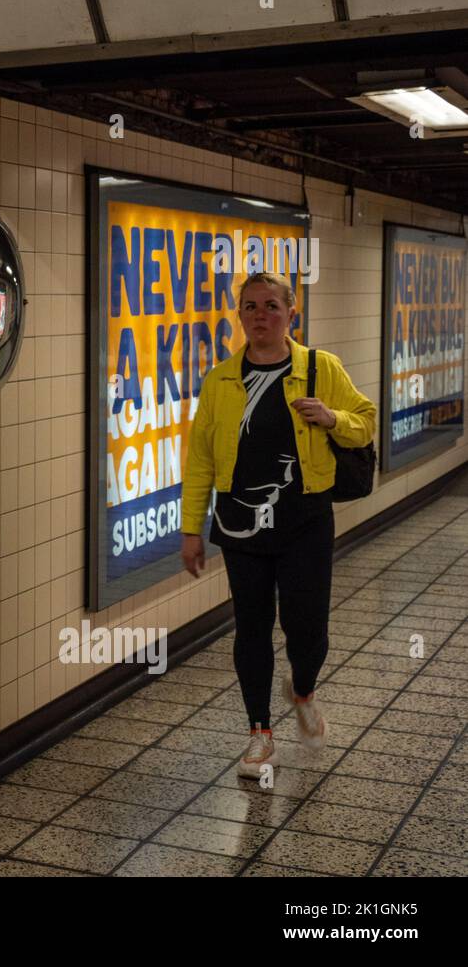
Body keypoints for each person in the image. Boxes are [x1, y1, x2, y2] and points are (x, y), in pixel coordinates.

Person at [179, 272, 376, 778]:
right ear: (238, 315)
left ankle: (303, 688)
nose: (259, 315)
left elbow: (366, 421)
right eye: (249, 307)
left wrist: (334, 419)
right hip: (240, 524)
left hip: (305, 519)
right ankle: (259, 733)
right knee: (251, 627)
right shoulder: (221, 378)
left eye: (270, 306)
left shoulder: (319, 368)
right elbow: (200, 457)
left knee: (307, 628)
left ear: (292, 314)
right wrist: (189, 529)